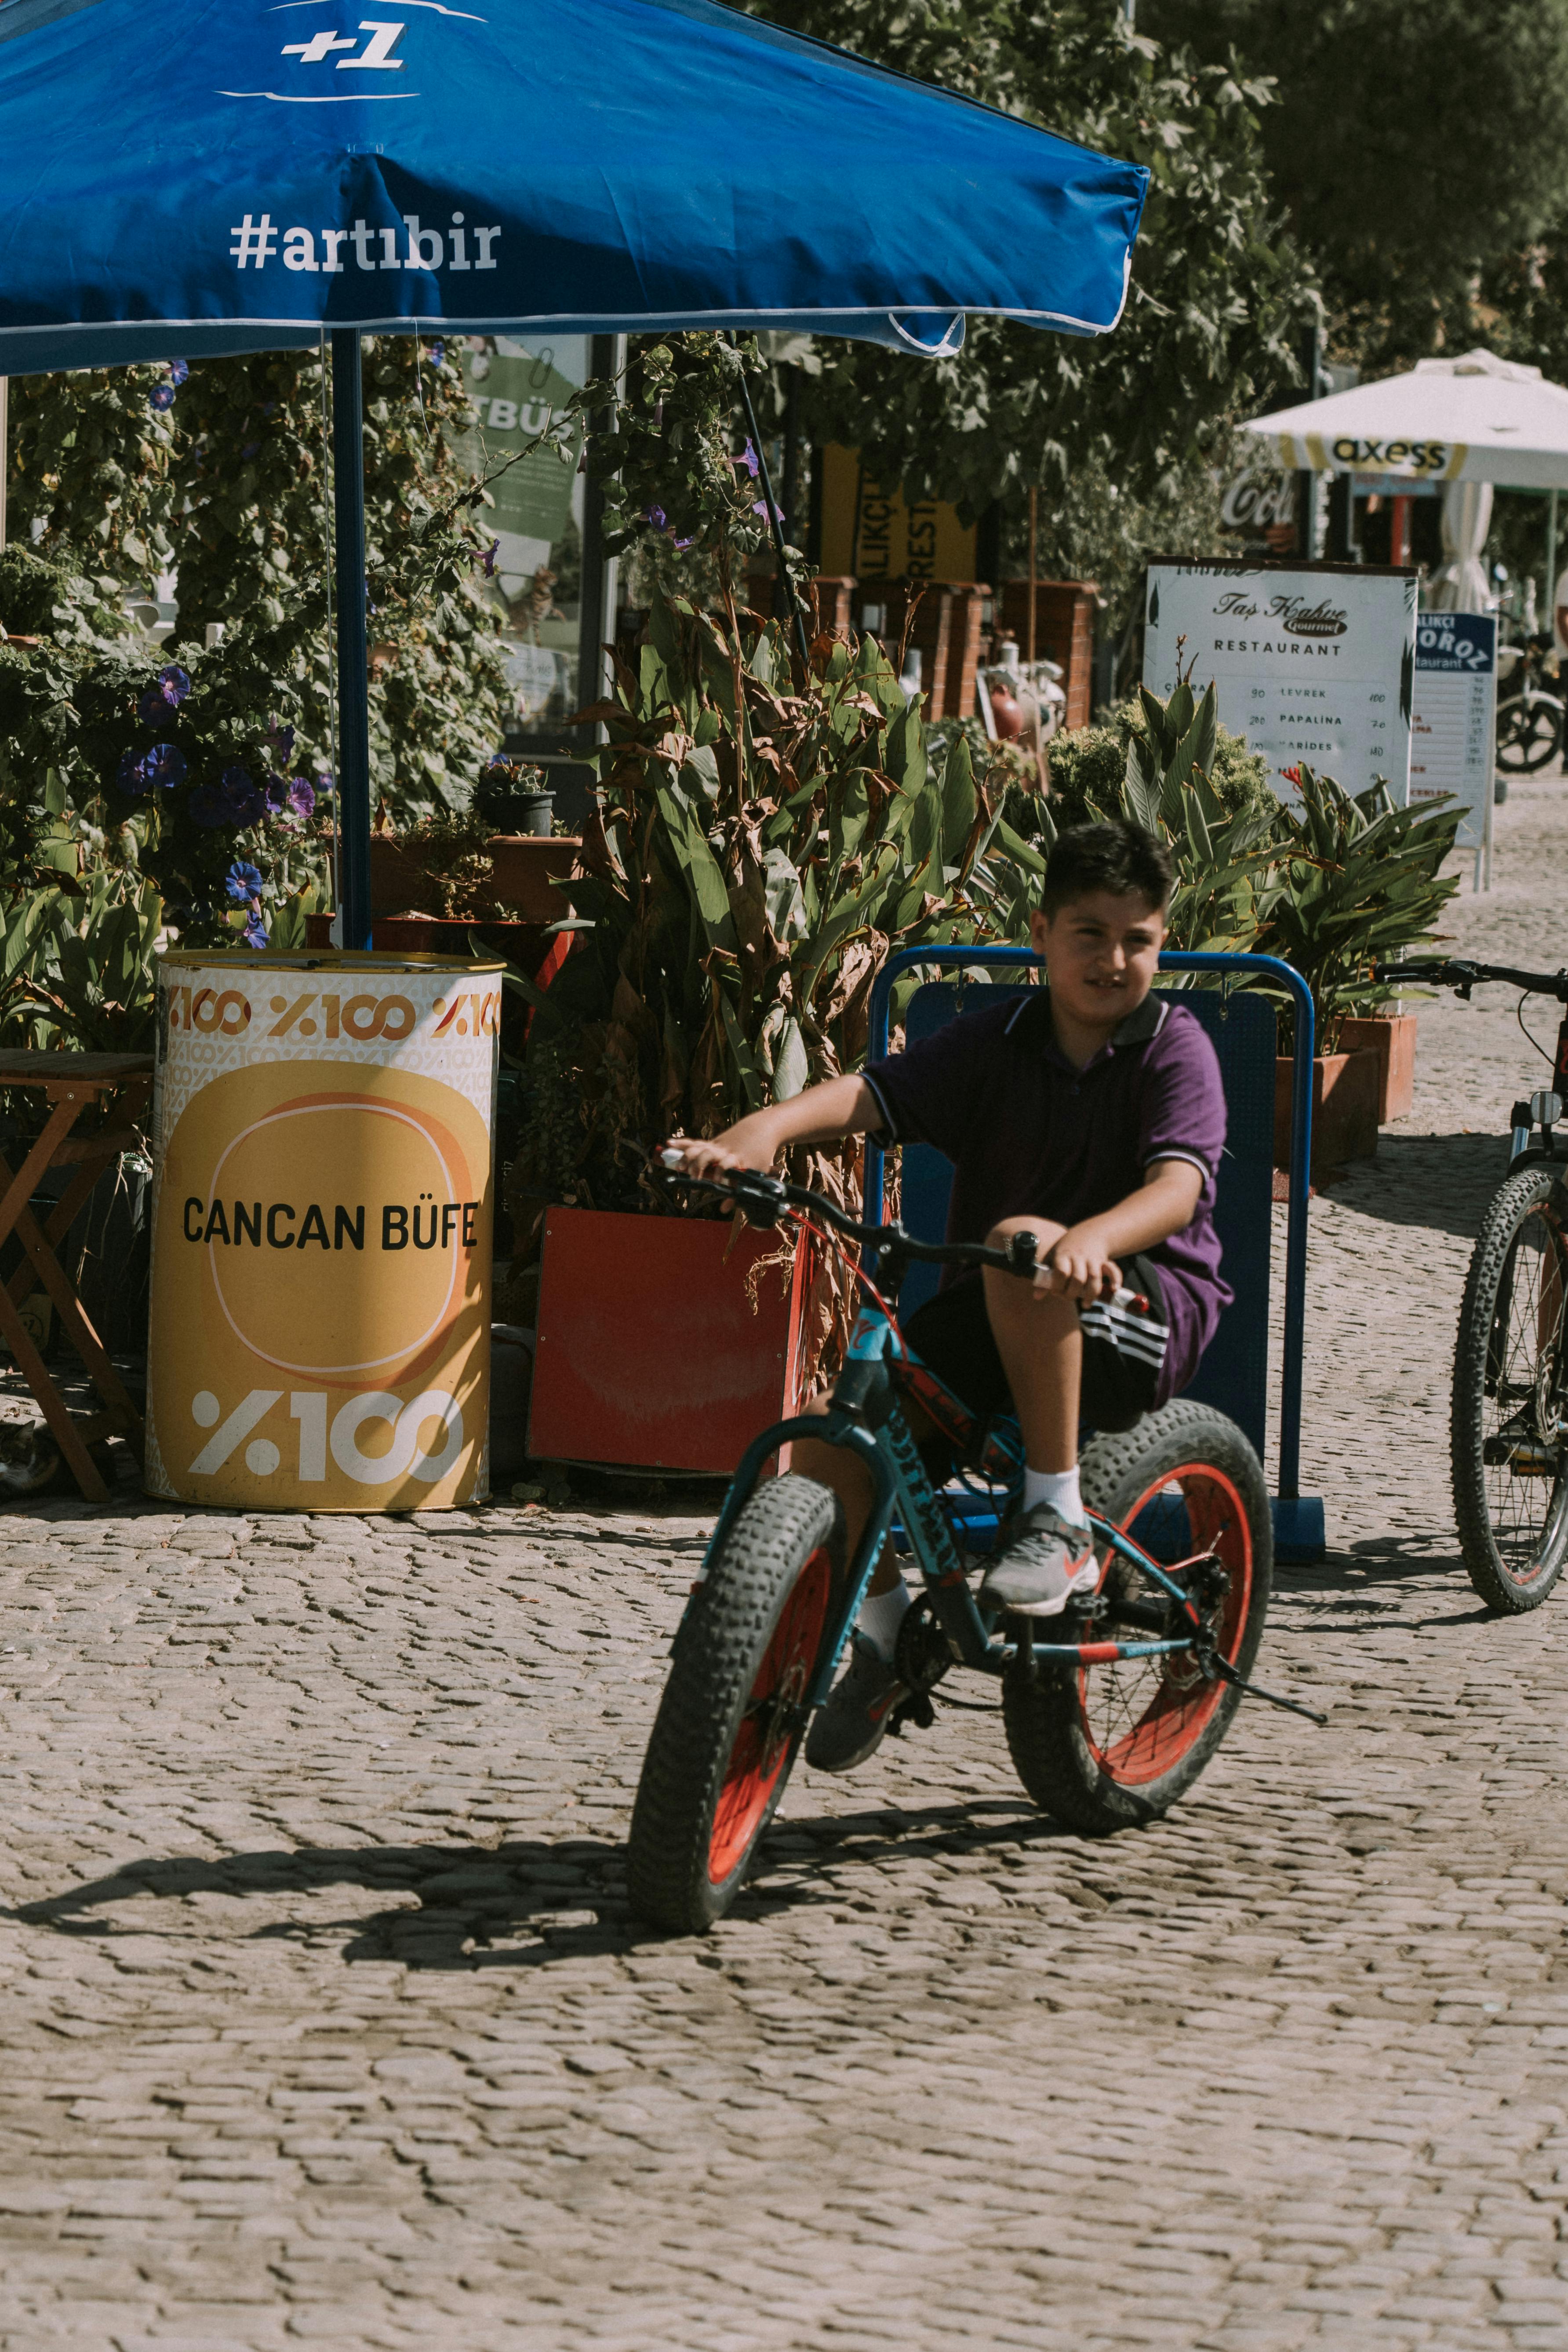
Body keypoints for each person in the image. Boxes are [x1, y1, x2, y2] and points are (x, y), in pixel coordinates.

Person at [668, 817, 1231, 1774]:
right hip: (1007, 1303)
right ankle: (888, 1637)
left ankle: (1052, 1516)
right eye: (1087, 934)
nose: (1111, 959)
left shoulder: (1175, 1048)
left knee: (1018, 1247)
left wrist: (1089, 1236)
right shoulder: (995, 1038)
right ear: (1039, 931)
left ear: (1161, 943)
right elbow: (873, 1095)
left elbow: (1177, 1186)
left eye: (1137, 939)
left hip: (1137, 1309)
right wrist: (766, 1127)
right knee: (820, 1445)